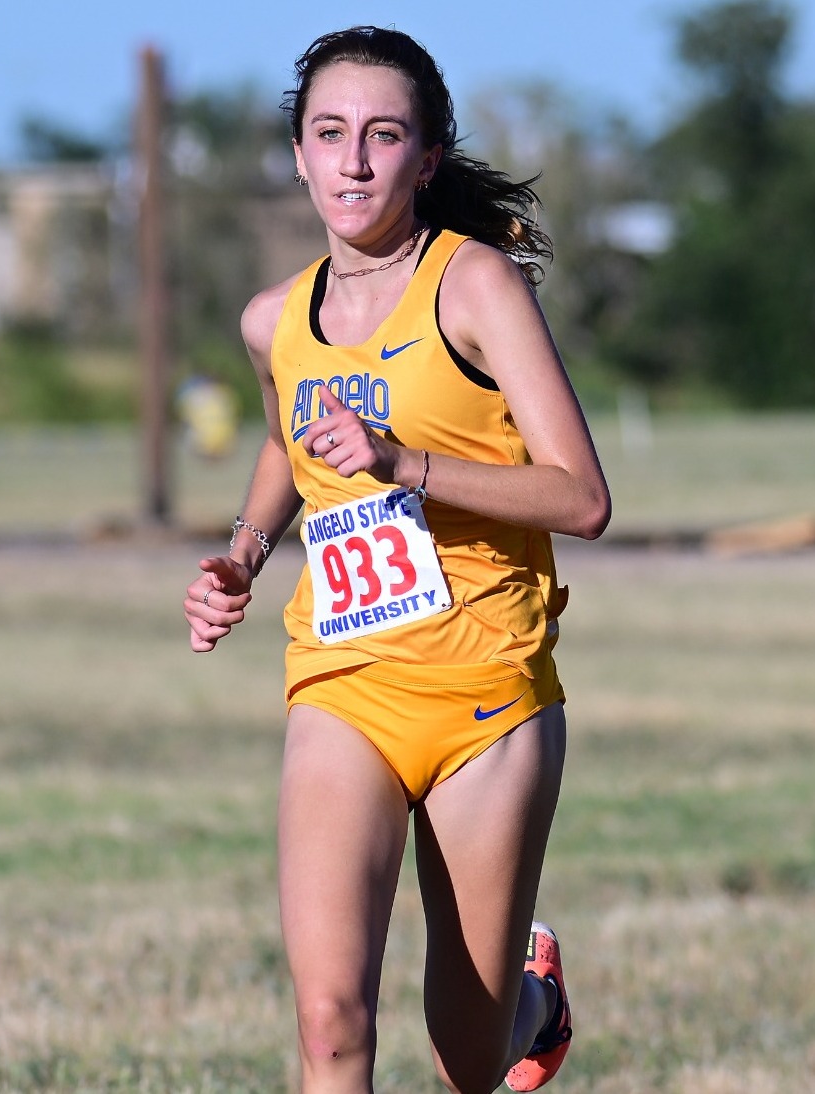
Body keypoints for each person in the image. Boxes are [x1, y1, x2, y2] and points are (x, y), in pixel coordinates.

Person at [182, 25, 610, 1094]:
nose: (354, 161)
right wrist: (240, 555)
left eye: (382, 136)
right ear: (297, 155)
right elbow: (289, 439)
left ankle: (533, 1001)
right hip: (346, 678)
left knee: (467, 1054)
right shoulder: (273, 320)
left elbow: (582, 495)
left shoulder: (474, 291)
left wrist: (403, 459)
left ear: (425, 158)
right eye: (329, 134)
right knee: (328, 1019)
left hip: (485, 690)